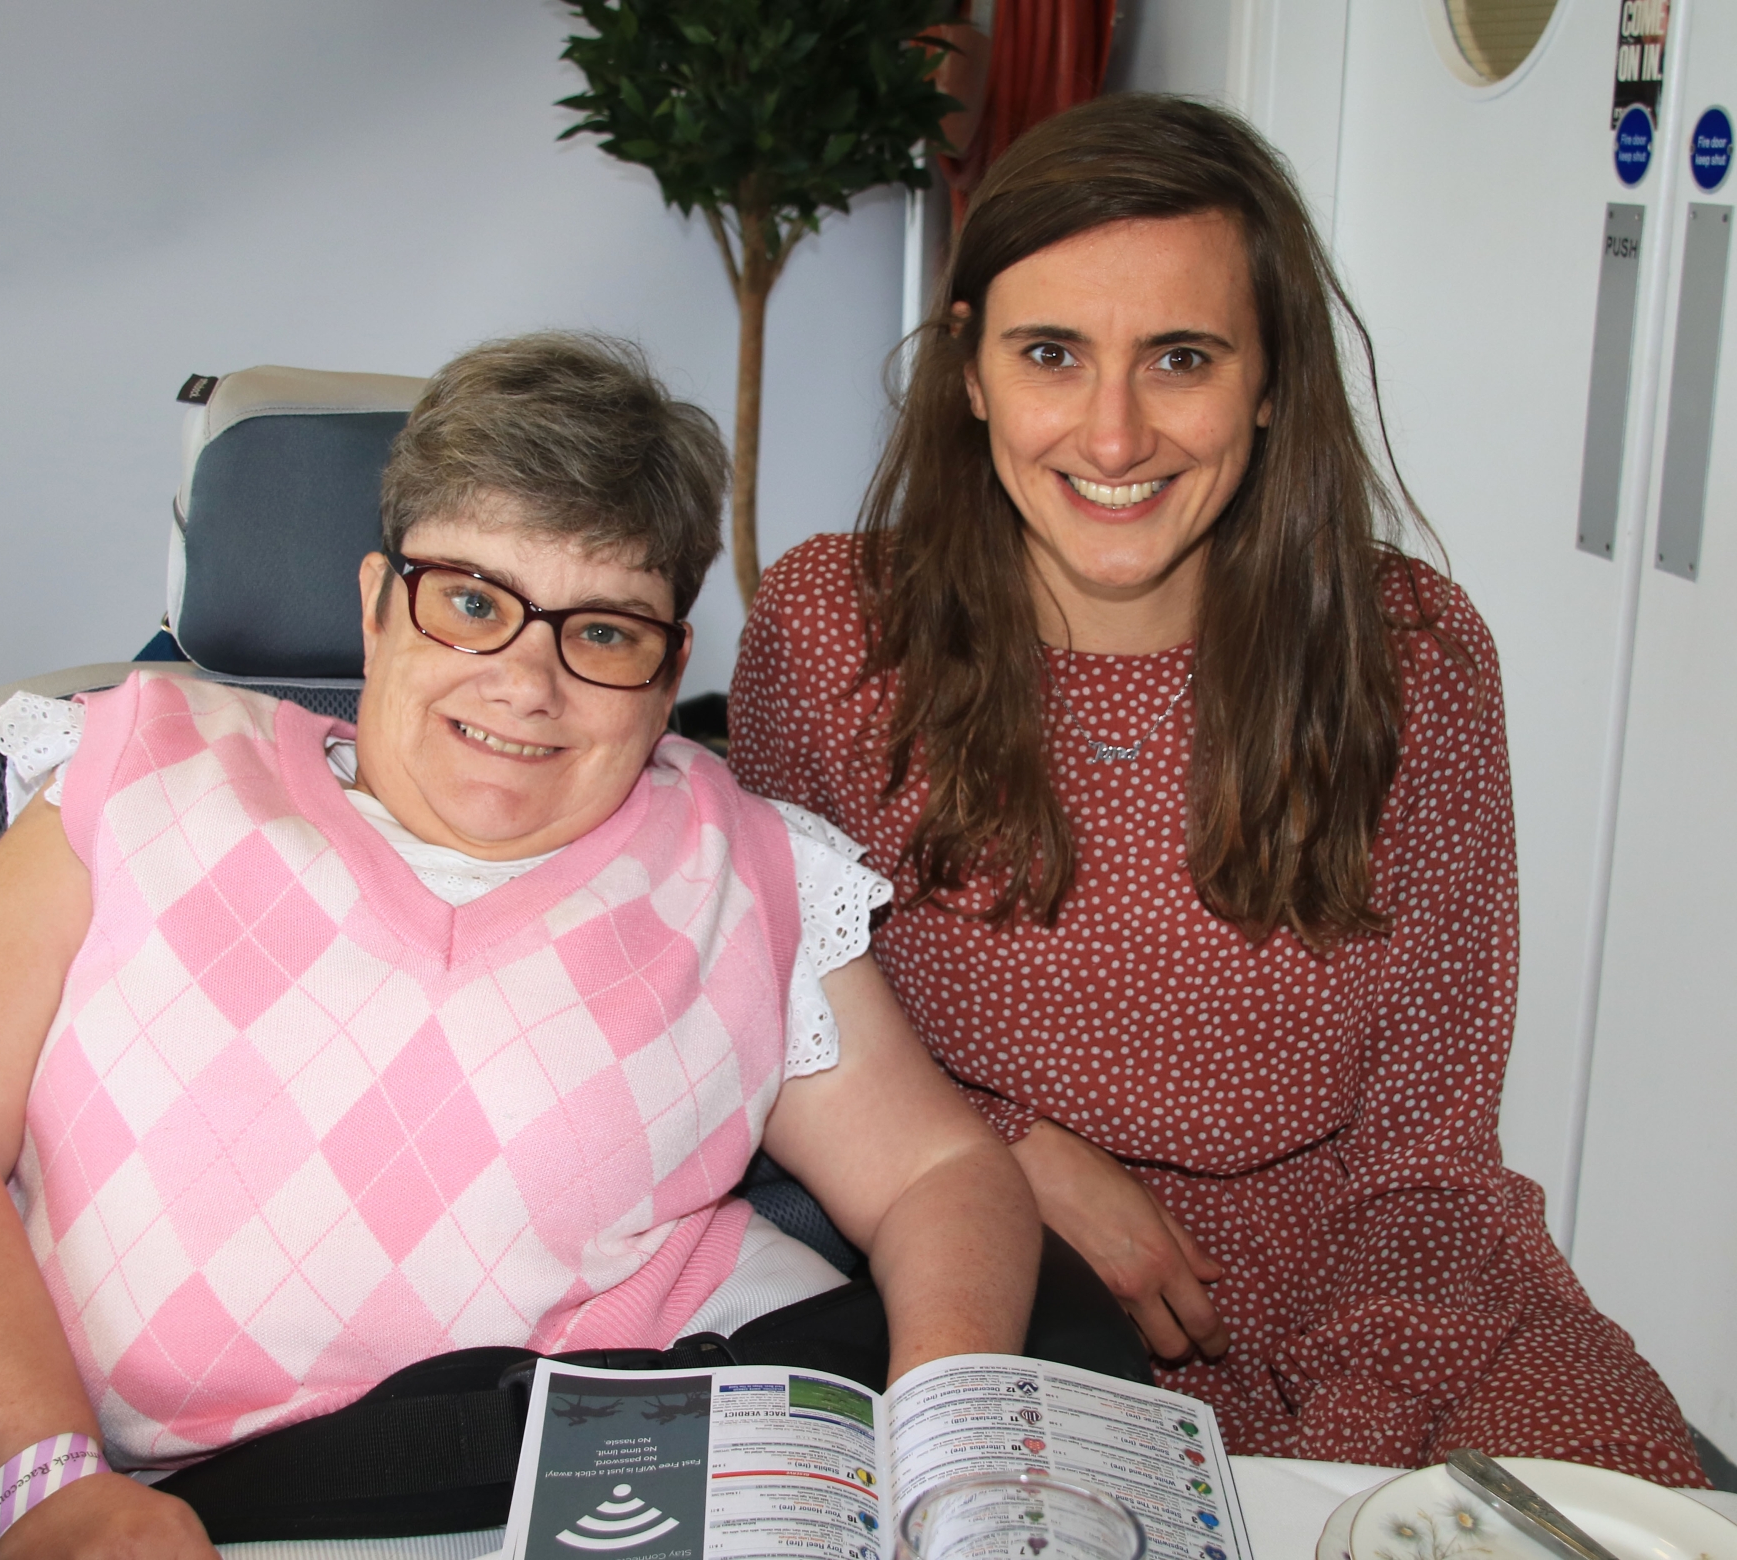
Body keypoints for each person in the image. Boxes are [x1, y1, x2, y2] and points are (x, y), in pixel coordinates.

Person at [0, 334, 1071, 1559]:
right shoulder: (138, 771)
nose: (528, 685)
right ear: (377, 606)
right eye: (474, 603)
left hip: (650, 1472)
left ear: (669, 669)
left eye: (602, 634)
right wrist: (44, 1486)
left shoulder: (740, 861)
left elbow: (932, 1175)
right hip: (191, 1511)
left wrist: (941, 1448)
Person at [728, 96, 1709, 1485]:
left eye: (1180, 357)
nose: (1114, 436)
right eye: (1052, 353)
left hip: (1395, 1282)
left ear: (1268, 379)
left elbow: (1427, 1146)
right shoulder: (834, 631)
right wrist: (1003, 1150)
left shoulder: (1412, 655)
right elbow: (763, 1012)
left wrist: (1350, 1461)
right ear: (970, 372)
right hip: (1004, 1282)